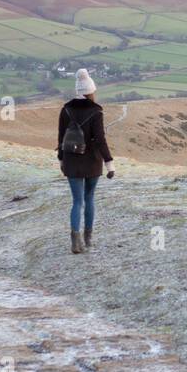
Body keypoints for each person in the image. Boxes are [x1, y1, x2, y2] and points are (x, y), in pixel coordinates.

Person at [58, 69, 114, 255]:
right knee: (89, 198)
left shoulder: (65, 109)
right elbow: (100, 139)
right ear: (91, 91)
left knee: (77, 201)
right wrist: (109, 162)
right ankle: (88, 238)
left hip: (71, 161)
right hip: (92, 161)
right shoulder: (96, 111)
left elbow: (61, 138)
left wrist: (61, 160)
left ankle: (75, 239)